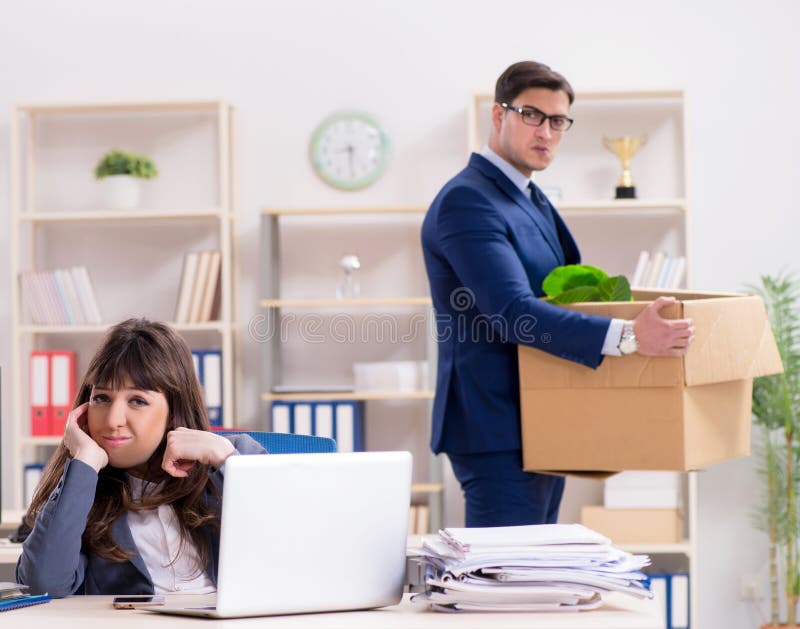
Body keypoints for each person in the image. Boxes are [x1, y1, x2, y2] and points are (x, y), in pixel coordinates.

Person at [421, 60, 694, 528]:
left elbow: (561, 295)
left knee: (539, 568)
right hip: (496, 427)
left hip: (544, 416)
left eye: (558, 121)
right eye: (531, 115)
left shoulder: (529, 196)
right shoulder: (468, 200)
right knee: (511, 573)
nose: (545, 132)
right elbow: (513, 313)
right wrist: (630, 336)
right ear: (498, 115)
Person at [16, 318, 265, 597]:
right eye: (102, 398)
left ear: (175, 408)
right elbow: (42, 584)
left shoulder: (234, 457)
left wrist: (226, 460)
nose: (113, 420)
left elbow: (290, 541)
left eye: (137, 401)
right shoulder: (82, 486)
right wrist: (85, 461)